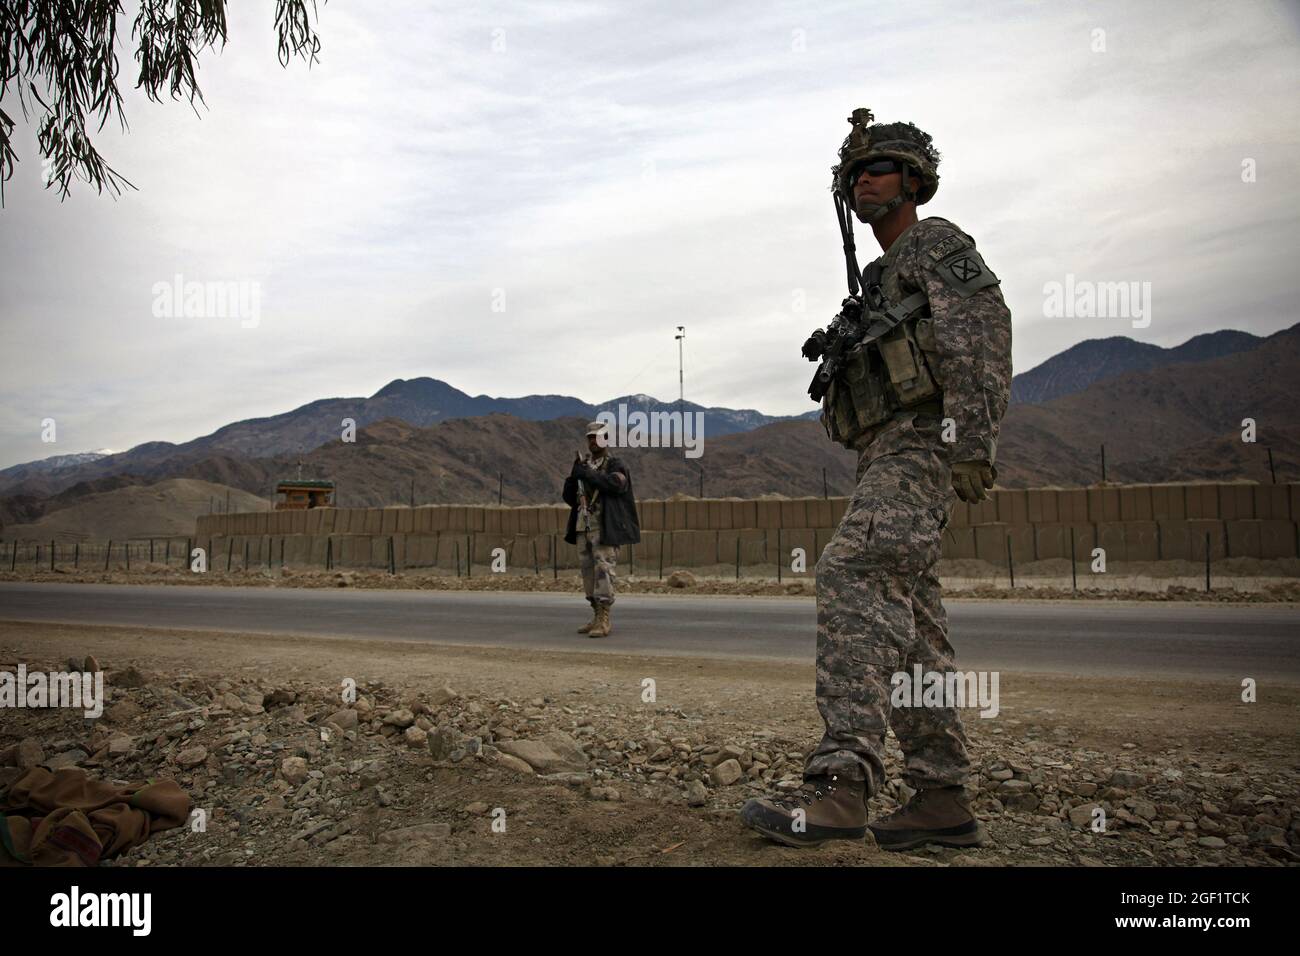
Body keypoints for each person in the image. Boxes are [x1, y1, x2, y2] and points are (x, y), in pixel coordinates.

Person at [741, 107, 1012, 849]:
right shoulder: (880, 279)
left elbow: (981, 334)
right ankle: (941, 796)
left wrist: (972, 443)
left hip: (925, 442)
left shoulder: (937, 243)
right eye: (856, 172)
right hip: (886, 451)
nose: (866, 181)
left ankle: (842, 784)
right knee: (914, 627)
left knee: (854, 573)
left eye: (881, 167)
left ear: (914, 178)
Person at [562, 421, 641, 638]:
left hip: (605, 527)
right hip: (583, 525)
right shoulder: (584, 465)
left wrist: (587, 474)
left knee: (603, 570)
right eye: (590, 437)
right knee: (588, 571)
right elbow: (570, 498)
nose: (593, 441)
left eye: (598, 437)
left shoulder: (615, 464)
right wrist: (573, 476)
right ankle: (595, 614)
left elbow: (615, 485)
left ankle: (604, 618)